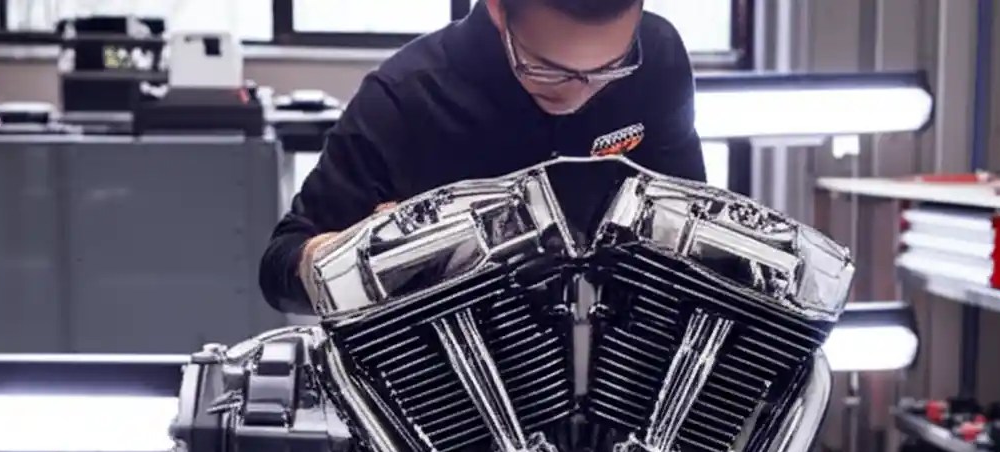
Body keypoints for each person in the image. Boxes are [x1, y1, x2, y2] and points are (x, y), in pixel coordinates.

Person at [259, 0, 706, 313]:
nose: (579, 92)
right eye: (548, 69)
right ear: (497, 8)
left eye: (609, 69)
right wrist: (362, 255)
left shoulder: (658, 56)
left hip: (622, 365)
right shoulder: (405, 96)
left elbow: (695, 216)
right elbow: (280, 267)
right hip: (450, 390)